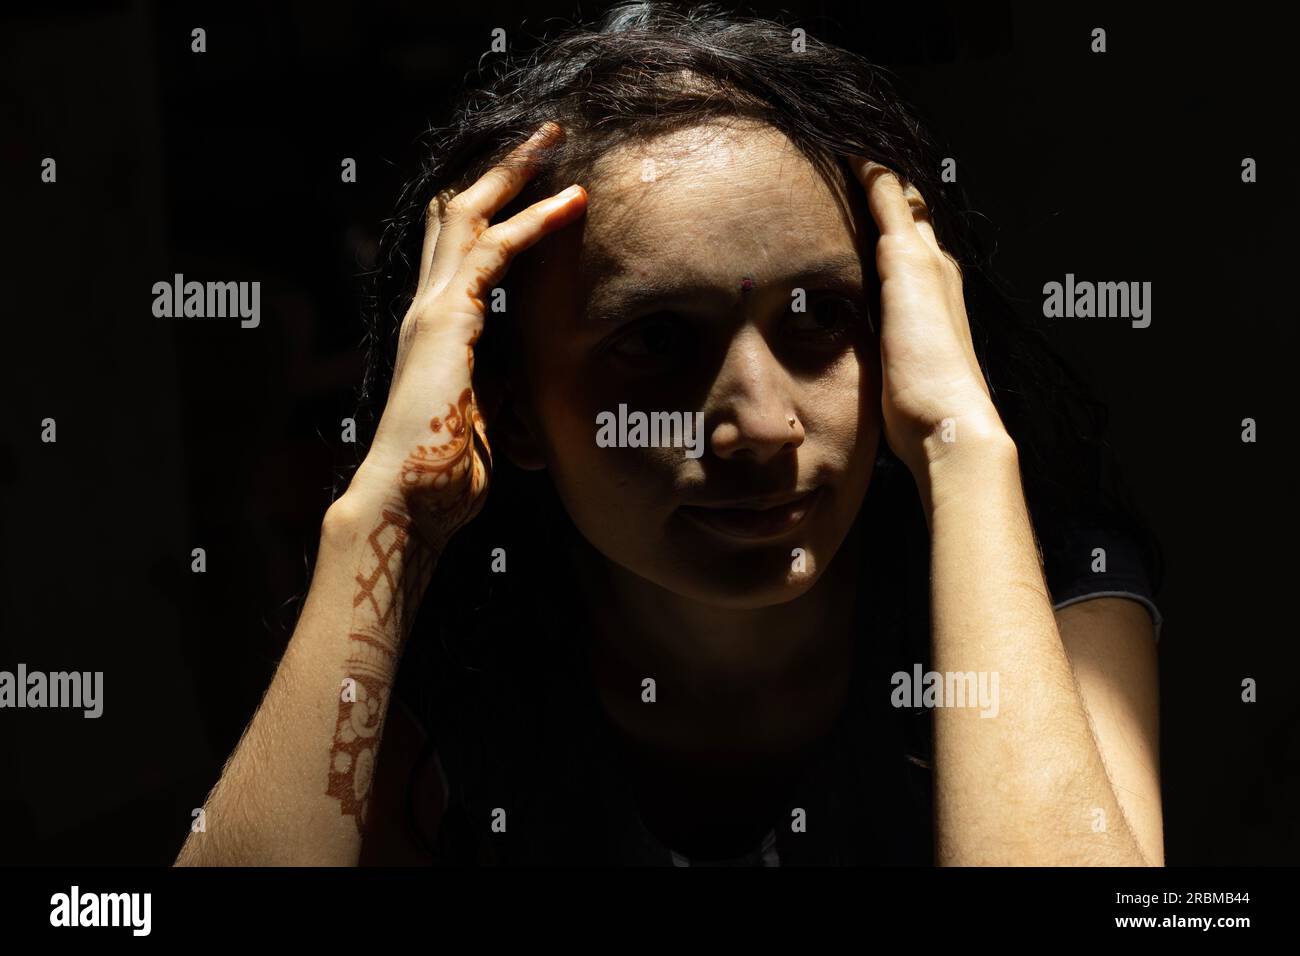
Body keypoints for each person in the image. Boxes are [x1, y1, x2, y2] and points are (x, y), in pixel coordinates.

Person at [176, 1, 1166, 868]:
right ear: (511, 405)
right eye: (655, 339)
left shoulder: (1043, 580)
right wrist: (388, 508)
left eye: (820, 317)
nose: (761, 426)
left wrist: (961, 446)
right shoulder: (450, 648)